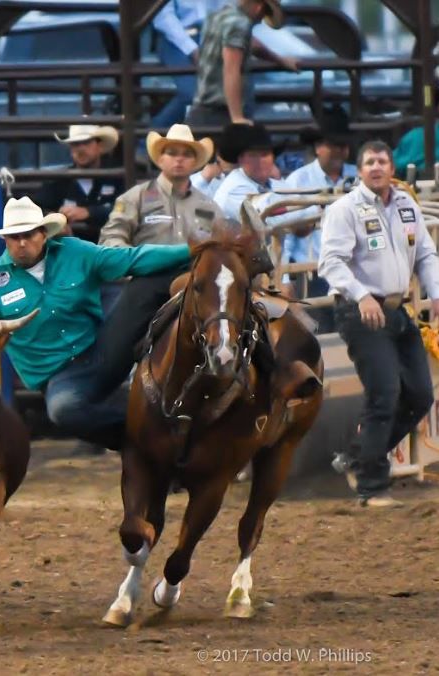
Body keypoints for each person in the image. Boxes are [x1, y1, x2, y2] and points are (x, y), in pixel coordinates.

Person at [0, 197, 192, 451]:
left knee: (149, 282)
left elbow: (132, 259)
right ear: (5, 240)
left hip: (101, 349)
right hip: (58, 375)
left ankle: (203, 345)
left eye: (28, 234)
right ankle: (151, 438)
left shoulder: (75, 252)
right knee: (64, 410)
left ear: (43, 233)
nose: (21, 243)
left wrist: (195, 251)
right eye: (14, 237)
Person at [318, 140, 439, 508]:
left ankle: (359, 456)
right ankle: (371, 485)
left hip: (397, 308)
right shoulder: (345, 209)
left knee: (420, 394)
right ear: (359, 170)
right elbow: (330, 263)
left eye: (382, 161)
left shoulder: (406, 205)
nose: (376, 167)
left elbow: (426, 253)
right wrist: (362, 295)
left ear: (391, 168)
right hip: (360, 311)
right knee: (385, 393)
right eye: (369, 161)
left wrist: (436, 293)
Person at [93, 124, 221, 389]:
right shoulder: (135, 198)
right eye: (172, 152)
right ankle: (112, 391)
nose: (178, 158)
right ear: (160, 158)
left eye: (186, 154)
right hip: (146, 282)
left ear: (195, 162)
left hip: (196, 285)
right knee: (113, 351)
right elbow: (111, 240)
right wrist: (132, 263)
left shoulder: (208, 206)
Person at [279, 106, 358, 330]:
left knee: (357, 334)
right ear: (318, 147)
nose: (338, 151)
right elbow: (285, 235)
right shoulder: (297, 181)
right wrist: (284, 279)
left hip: (356, 269)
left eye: (342, 146)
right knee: (319, 336)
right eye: (332, 145)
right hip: (312, 273)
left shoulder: (358, 175)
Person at [186, 0, 299, 128]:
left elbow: (251, 44)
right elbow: (231, 69)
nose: (260, 21)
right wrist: (237, 117)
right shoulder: (240, 24)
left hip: (202, 106)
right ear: (259, 8)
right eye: (264, 15)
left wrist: (280, 60)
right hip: (221, 110)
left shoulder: (218, 16)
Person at [32, 124, 125, 244]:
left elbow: (127, 209)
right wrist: (55, 220)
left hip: (110, 247)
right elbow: (36, 208)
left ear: (99, 145)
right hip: (69, 250)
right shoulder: (59, 180)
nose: (80, 149)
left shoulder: (116, 177)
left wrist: (89, 212)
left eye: (86, 143)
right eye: (75, 144)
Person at [150, 0, 228, 128]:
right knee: (192, 93)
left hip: (216, 34)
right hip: (175, 38)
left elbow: (229, 8)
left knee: (226, 92)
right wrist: (191, 48)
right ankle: (150, 137)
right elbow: (163, 17)